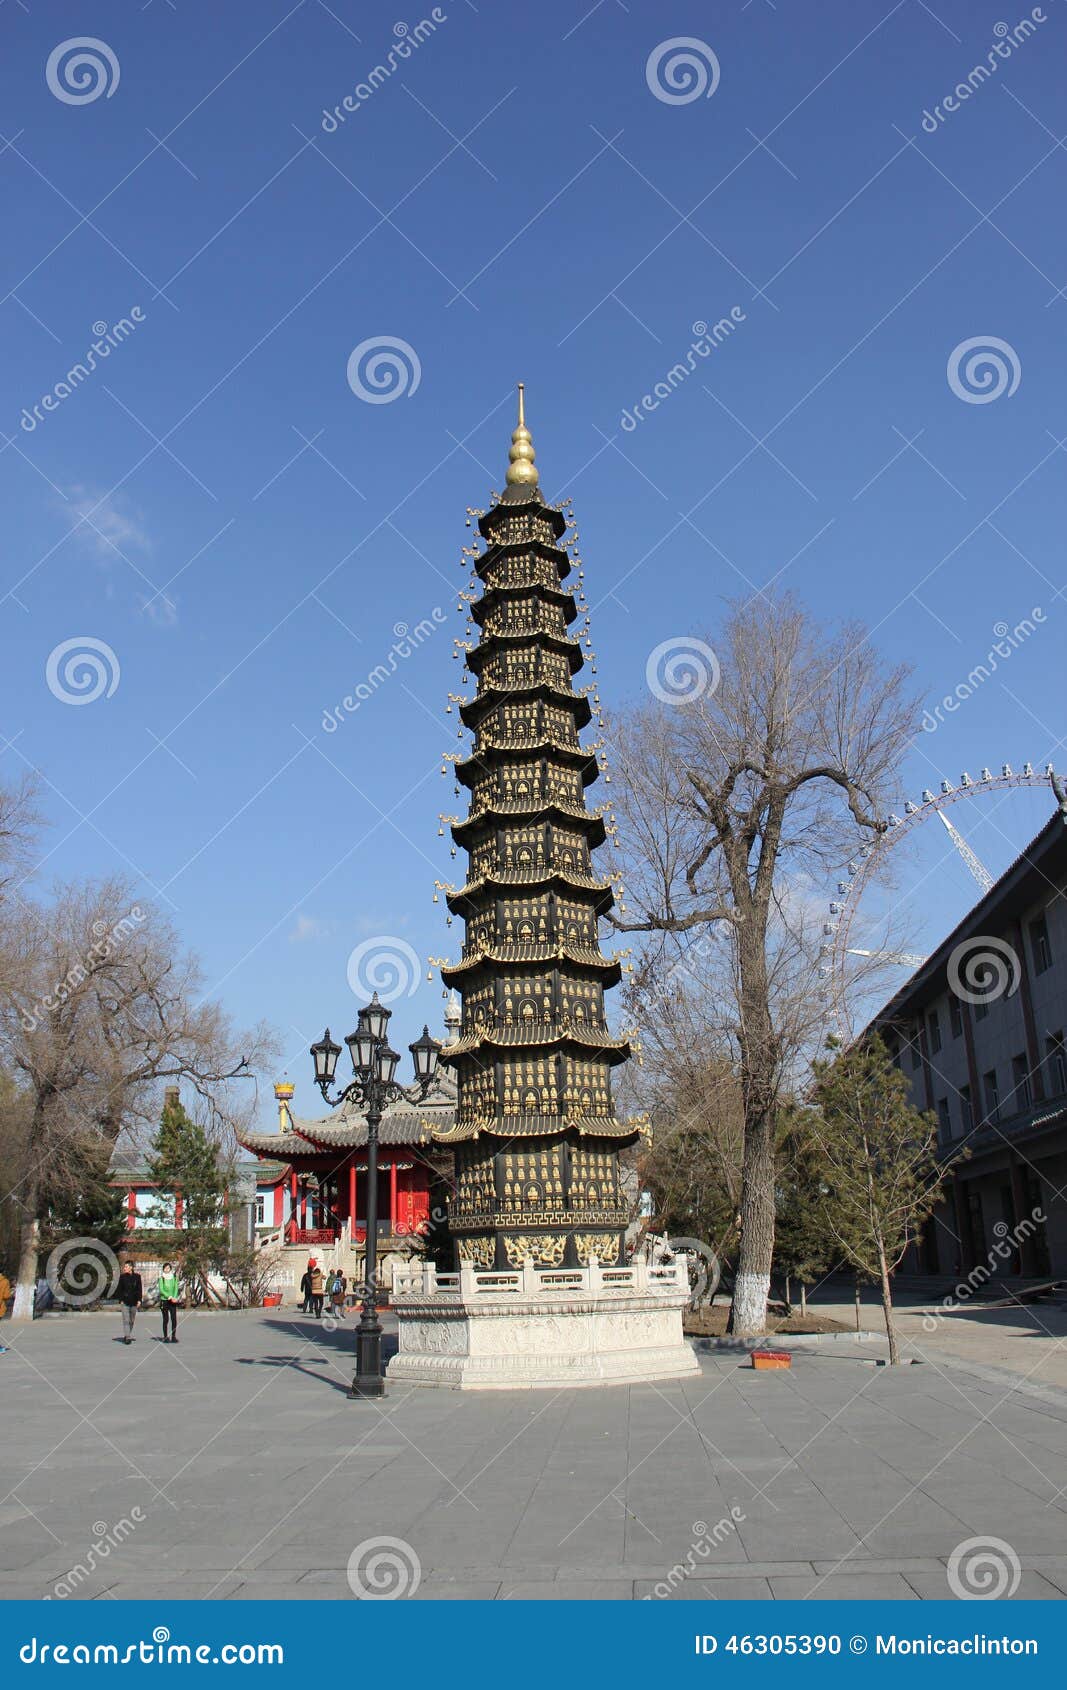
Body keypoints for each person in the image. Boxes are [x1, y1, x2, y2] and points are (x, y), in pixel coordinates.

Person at [116, 1260, 143, 1344]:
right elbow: (119, 1289)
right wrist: (121, 1300)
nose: (125, 1268)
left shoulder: (137, 1277)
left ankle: (127, 1334)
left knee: (131, 1320)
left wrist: (139, 1300)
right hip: (125, 1302)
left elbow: (139, 1289)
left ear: (131, 1267)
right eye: (124, 1267)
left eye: (126, 1267)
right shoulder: (122, 1277)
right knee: (126, 1320)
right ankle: (127, 1337)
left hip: (134, 1302)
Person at [157, 1261, 181, 1344]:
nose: (167, 1269)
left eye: (168, 1268)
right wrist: (169, 1297)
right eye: (165, 1268)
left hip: (173, 1301)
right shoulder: (161, 1278)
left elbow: (176, 1287)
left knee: (174, 1319)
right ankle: (165, 1336)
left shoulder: (173, 1278)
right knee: (165, 1319)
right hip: (165, 1301)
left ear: (170, 1269)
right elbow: (161, 1290)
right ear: (163, 1269)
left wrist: (174, 1297)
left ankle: (173, 1336)